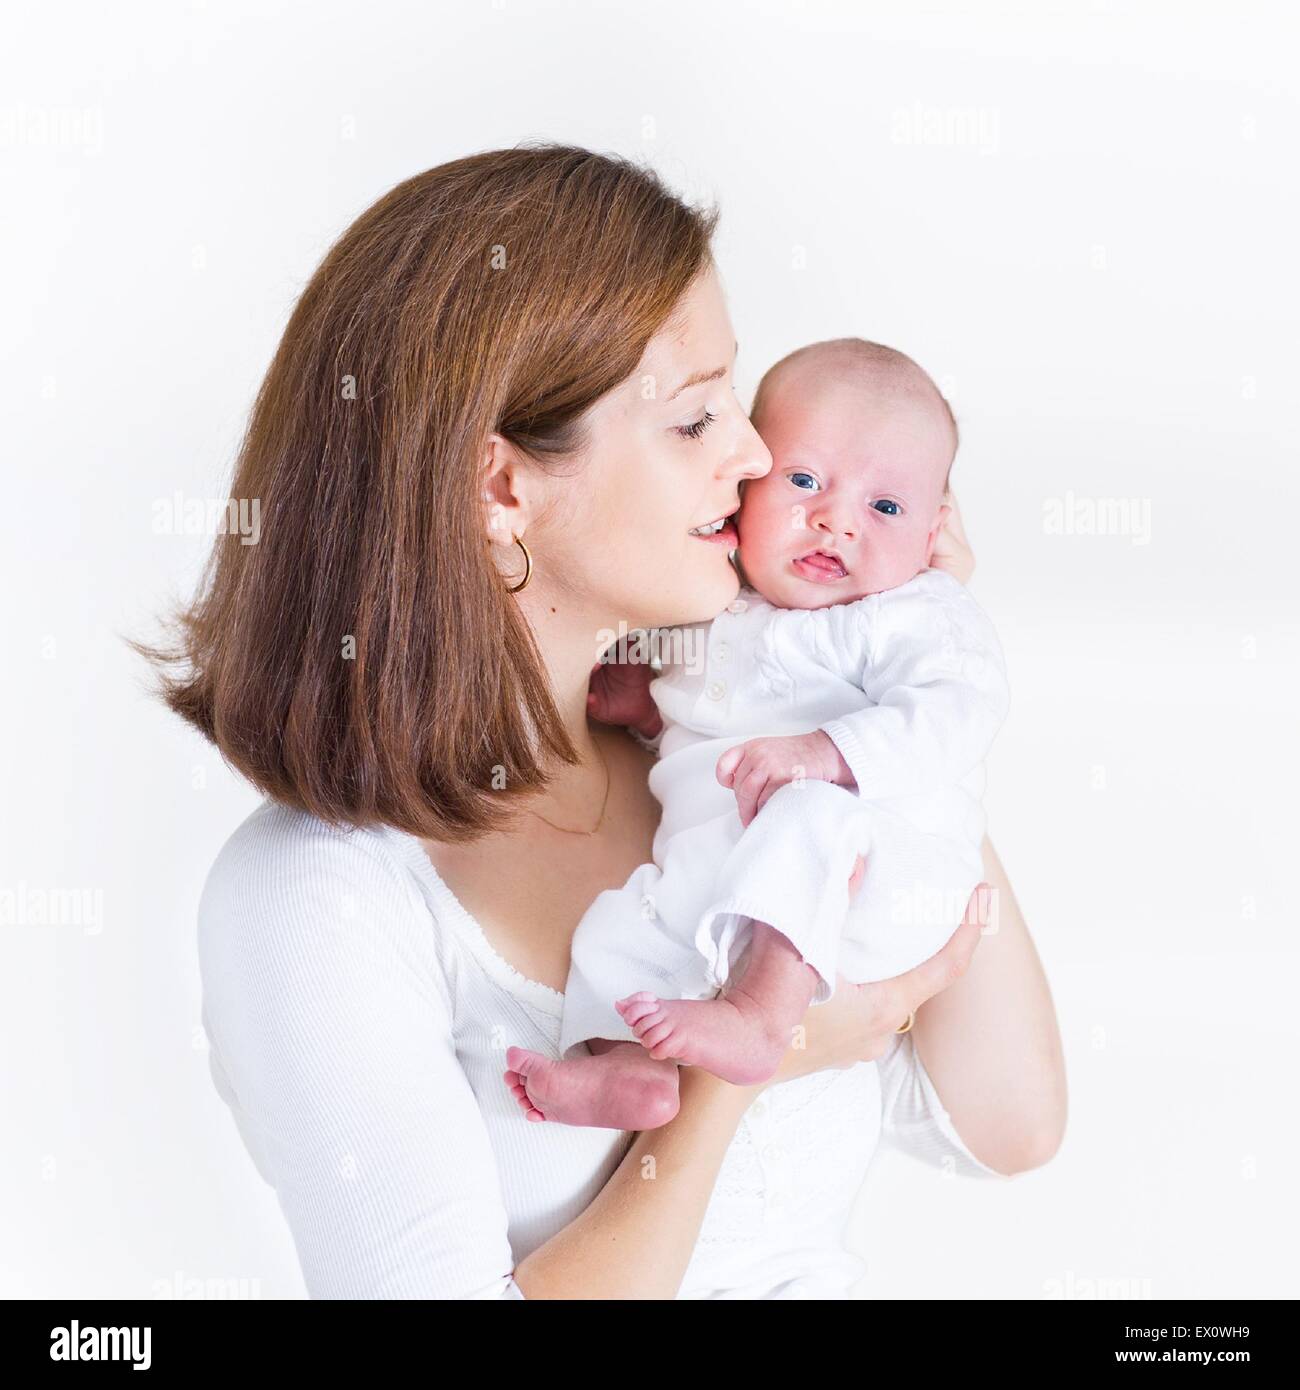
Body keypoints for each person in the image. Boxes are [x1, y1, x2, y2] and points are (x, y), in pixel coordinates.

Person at [140, 143, 1067, 1298]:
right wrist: (737, 1067)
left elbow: (1007, 1122)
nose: (756, 454)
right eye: (694, 420)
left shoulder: (691, 757)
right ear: (500, 489)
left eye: (735, 399)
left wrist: (884, 645)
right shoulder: (316, 895)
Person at [507, 339, 1011, 1129]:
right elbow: (707, 700)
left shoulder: (918, 613)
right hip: (730, 873)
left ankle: (762, 1016)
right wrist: (645, 704)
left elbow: (956, 712)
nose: (834, 522)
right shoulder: (720, 601)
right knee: (628, 923)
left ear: (934, 531)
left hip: (876, 873)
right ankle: (619, 1064)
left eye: (885, 509)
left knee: (811, 814)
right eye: (804, 481)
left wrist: (830, 756)